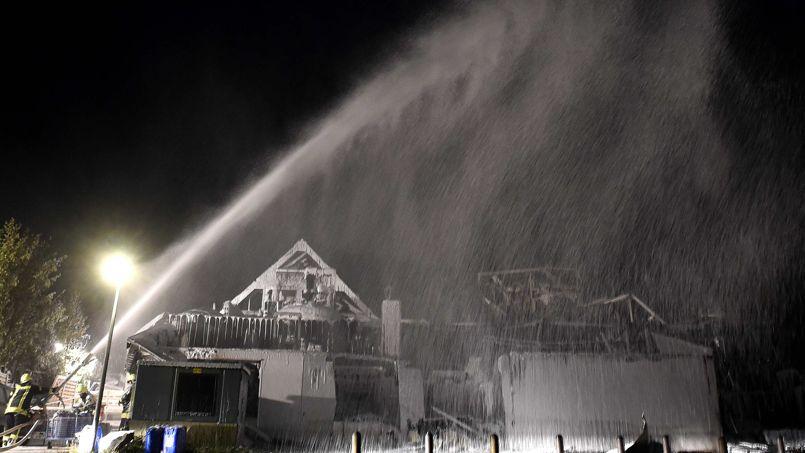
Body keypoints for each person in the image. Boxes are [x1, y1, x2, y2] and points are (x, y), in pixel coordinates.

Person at [3, 373, 44, 447]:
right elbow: (42, 390)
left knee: (7, 429)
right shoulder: (30, 388)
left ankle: (4, 444)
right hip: (19, 413)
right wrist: (53, 390)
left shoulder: (15, 389)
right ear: (29, 382)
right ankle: (10, 443)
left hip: (8, 412)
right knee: (16, 429)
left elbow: (9, 400)